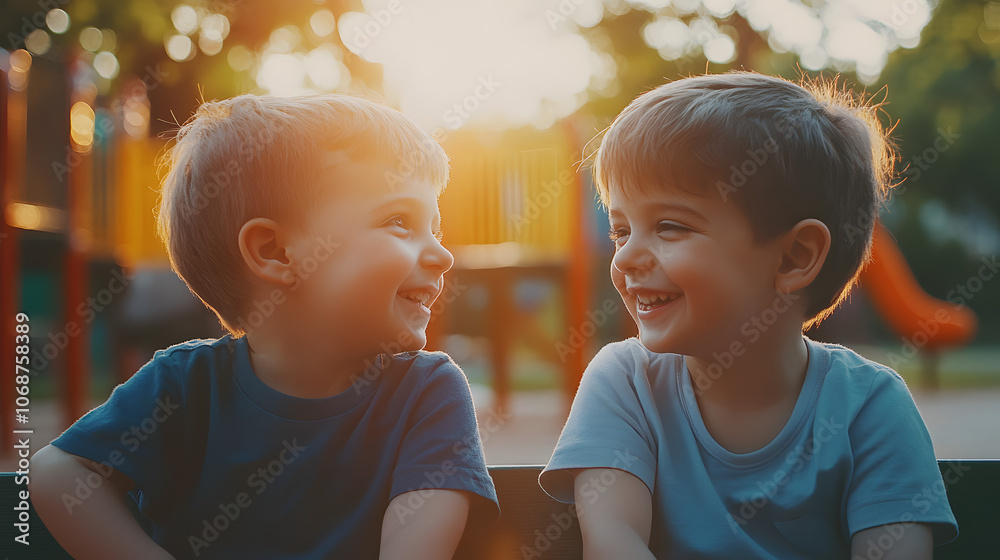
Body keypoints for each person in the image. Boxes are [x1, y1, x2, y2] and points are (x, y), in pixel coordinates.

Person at [30, 94, 498, 559]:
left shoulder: (426, 394)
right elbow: (58, 472)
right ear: (275, 251)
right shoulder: (183, 388)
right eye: (399, 221)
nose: (443, 254)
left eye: (434, 227)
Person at [539, 73, 958, 559]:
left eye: (669, 226)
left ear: (793, 258)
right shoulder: (624, 384)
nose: (626, 257)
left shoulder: (870, 408)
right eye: (620, 231)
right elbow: (613, 541)